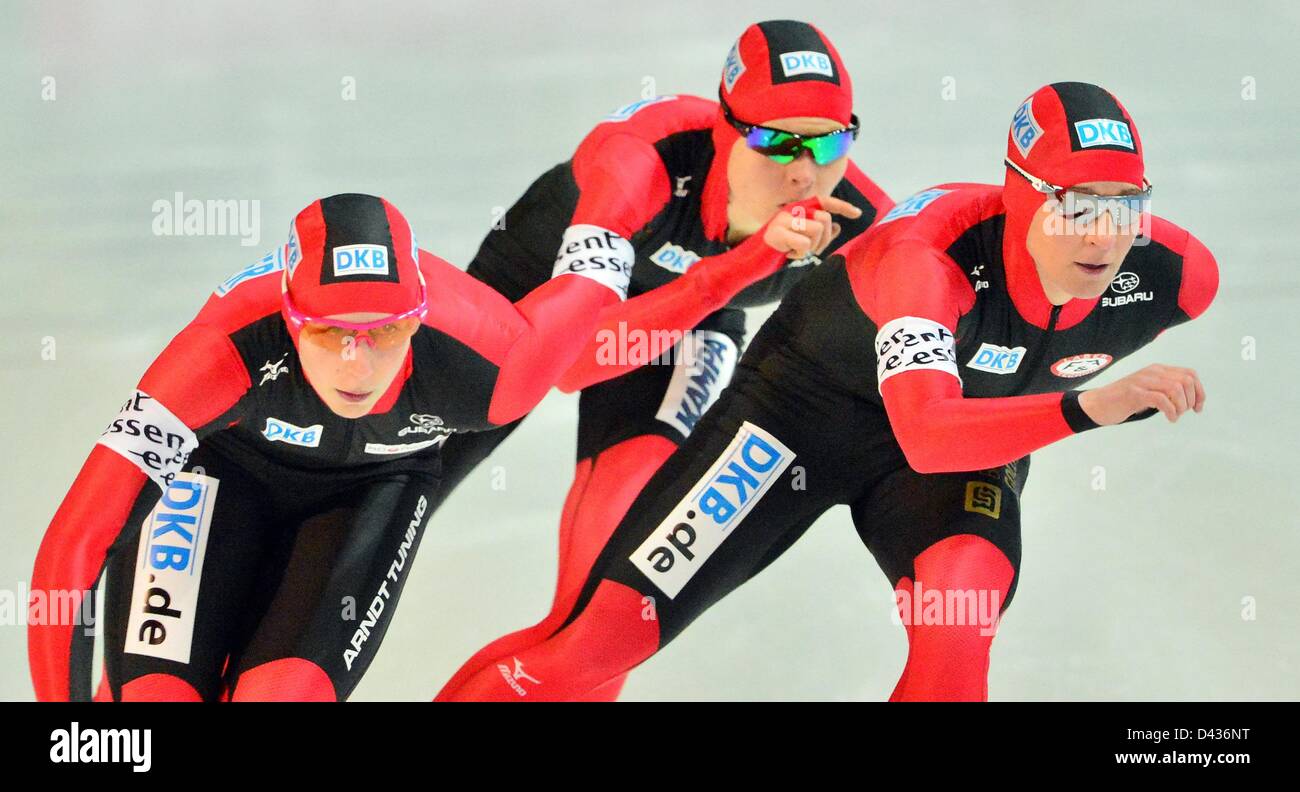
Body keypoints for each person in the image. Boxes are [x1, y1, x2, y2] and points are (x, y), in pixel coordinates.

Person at [438, 82, 1220, 702]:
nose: (1103, 234)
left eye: (1125, 206)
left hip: (961, 444)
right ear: (1018, 196)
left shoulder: (1178, 279)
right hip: (798, 420)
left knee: (960, 616)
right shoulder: (930, 261)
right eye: (1075, 206)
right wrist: (1089, 407)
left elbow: (939, 443)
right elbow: (923, 430)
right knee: (595, 646)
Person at [28, 191, 823, 701]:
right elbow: (75, 544)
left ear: (418, 319)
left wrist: (756, 256)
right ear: (291, 320)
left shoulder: (493, 361)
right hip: (219, 475)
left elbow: (589, 311)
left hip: (371, 489)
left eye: (383, 334)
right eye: (331, 335)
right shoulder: (218, 356)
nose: (355, 362)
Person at [432, 19, 892, 702]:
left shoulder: (860, 218)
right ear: (726, 127)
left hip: (688, 326)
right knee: (395, 499)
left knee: (599, 619)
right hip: (538, 294)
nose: (804, 170)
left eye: (830, 140)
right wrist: (752, 261)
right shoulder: (642, 160)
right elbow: (570, 364)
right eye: (775, 141)